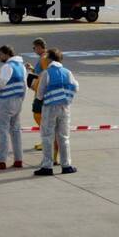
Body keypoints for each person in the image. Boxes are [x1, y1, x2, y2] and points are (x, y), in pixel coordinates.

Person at [33, 48, 78, 176]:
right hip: (65, 107)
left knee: (47, 136)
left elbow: (40, 94)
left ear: (50, 59)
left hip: (50, 108)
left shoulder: (47, 73)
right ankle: (66, 165)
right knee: (64, 137)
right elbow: (76, 87)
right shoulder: (67, 72)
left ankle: (47, 166)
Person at [0, 44, 27, 170]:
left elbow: (2, 83)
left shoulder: (7, 66)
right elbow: (24, 85)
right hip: (18, 100)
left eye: (0, 54)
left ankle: (1, 160)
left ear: (6, 54)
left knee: (2, 130)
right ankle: (18, 159)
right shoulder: (21, 66)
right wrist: (21, 100)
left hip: (6, 101)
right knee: (15, 131)